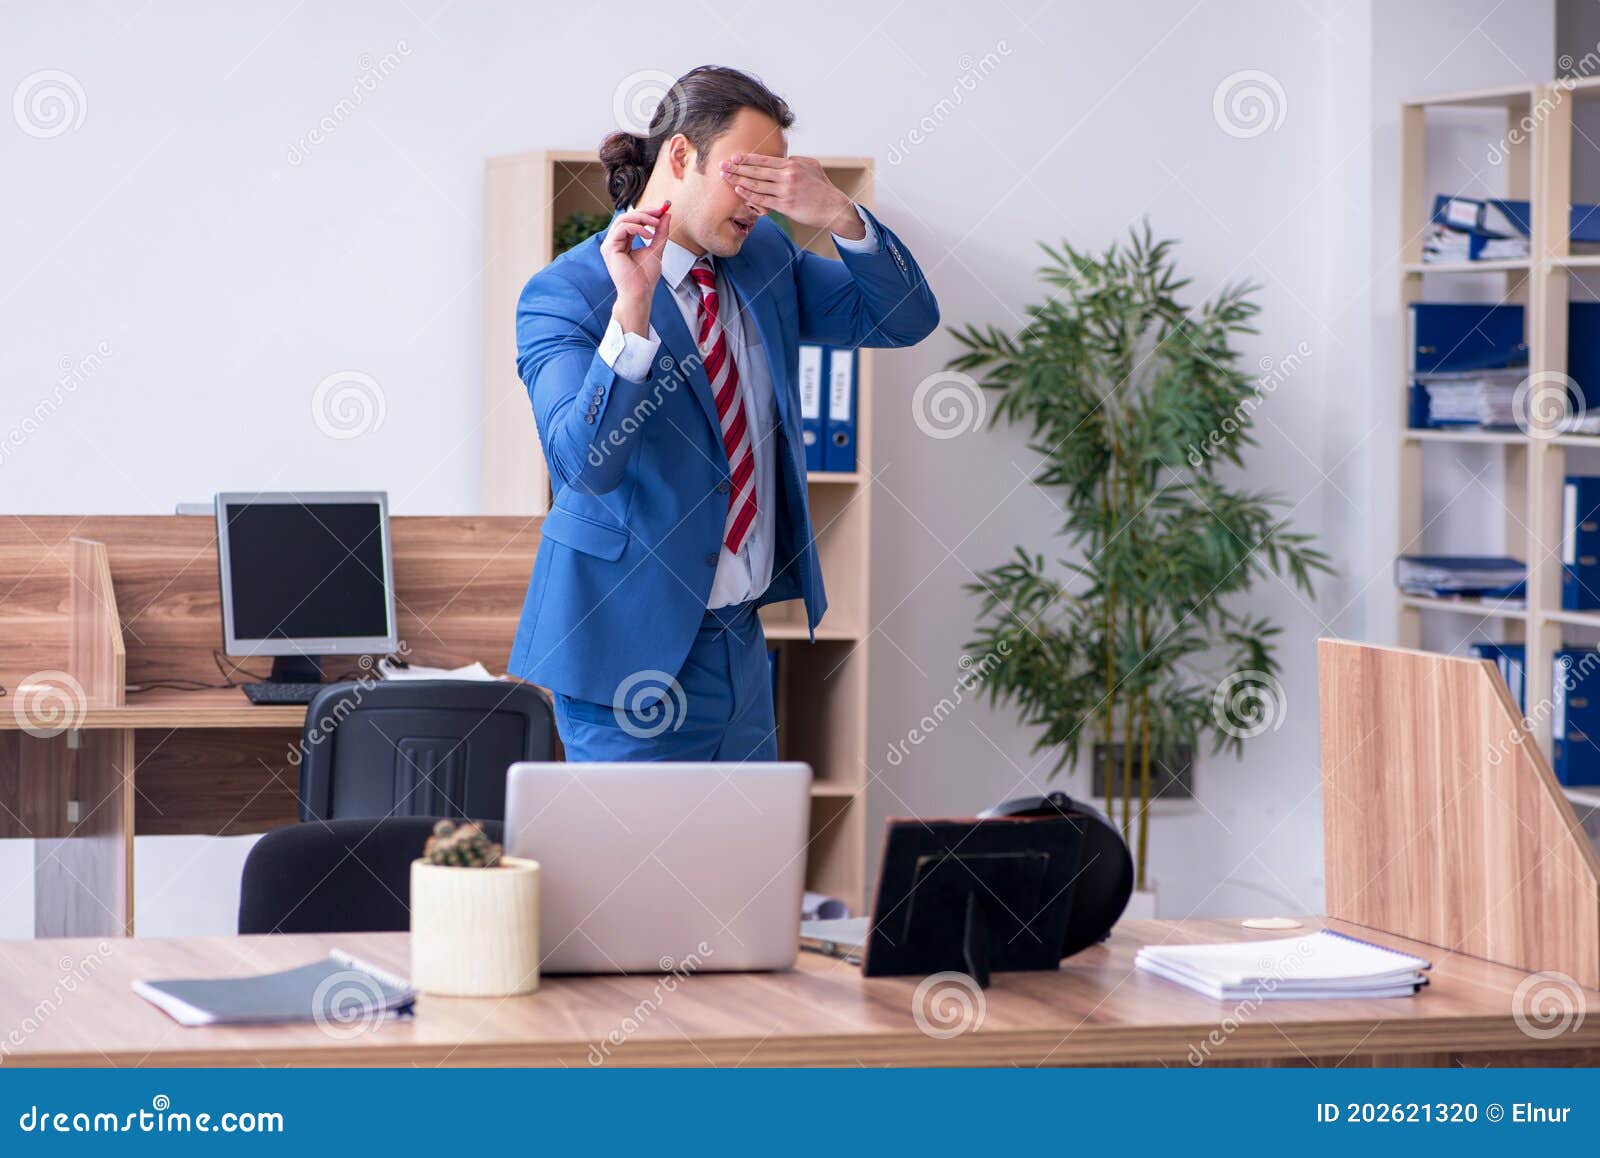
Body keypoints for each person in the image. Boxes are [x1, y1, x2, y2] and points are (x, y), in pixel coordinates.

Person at [507, 65, 940, 761]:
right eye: (750, 177)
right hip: (625, 658)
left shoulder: (761, 257)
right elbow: (584, 466)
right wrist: (633, 315)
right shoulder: (567, 294)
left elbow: (902, 319)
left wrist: (838, 214)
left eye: (777, 180)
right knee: (634, 871)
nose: (763, 204)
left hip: (741, 645)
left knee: (747, 868)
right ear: (680, 157)